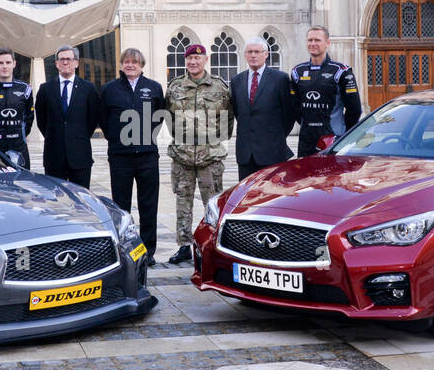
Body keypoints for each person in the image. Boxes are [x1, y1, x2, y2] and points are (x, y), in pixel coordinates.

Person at [166, 43, 232, 266]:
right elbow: (169, 119)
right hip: (182, 156)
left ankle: (210, 246)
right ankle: (184, 246)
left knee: (212, 204)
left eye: (197, 58)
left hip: (210, 158)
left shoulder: (220, 88)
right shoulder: (175, 87)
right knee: (182, 202)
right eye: (189, 59)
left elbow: (228, 120)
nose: (193, 62)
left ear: (206, 60)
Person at [101, 48, 164, 260]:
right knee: (120, 205)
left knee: (148, 204)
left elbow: (158, 116)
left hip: (147, 156)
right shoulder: (110, 89)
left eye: (134, 62)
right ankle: (124, 249)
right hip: (120, 156)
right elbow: (103, 119)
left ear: (141, 65)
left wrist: (144, 137)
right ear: (121, 64)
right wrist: (117, 138)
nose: (130, 65)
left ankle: (148, 251)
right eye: (126, 62)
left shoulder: (153, 87)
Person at [35, 45, 102, 188]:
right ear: (56, 64)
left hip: (80, 156)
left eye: (69, 59)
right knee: (55, 201)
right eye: (62, 59)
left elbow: (92, 119)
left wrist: (77, 136)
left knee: (81, 201)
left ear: (76, 63)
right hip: (54, 156)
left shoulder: (88, 88)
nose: (65, 63)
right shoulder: (45, 89)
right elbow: (41, 120)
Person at [291, 26, 362, 157]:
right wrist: (309, 124)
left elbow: (355, 109)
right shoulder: (297, 71)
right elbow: (294, 107)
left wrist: (342, 133)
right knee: (305, 177)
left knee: (331, 177)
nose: (313, 44)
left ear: (327, 43)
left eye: (317, 40)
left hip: (332, 139)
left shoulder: (341, 71)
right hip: (306, 140)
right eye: (310, 40)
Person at [230, 38, 295, 181]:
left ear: (266, 54)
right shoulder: (237, 81)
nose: (253, 55)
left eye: (257, 52)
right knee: (245, 197)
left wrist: (274, 136)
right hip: (245, 154)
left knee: (271, 197)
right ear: (245, 54)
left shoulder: (280, 78)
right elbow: (238, 113)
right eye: (250, 52)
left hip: (272, 152)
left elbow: (289, 114)